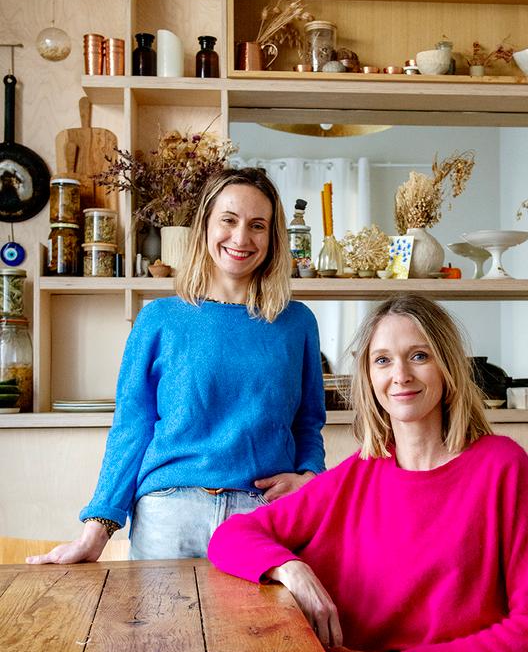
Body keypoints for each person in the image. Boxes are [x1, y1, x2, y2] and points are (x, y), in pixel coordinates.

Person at [208, 294, 528, 652]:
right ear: (368, 377)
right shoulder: (360, 473)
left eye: (419, 355)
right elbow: (232, 535)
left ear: (447, 366)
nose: (400, 374)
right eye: (383, 360)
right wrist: (290, 567)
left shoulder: (500, 467)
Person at [28, 167, 326, 564]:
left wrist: (310, 479)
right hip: (169, 515)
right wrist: (96, 531)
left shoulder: (296, 323)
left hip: (262, 515)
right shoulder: (160, 319)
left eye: (258, 225)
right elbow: (132, 427)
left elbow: (308, 422)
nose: (241, 238)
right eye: (228, 220)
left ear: (273, 238)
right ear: (205, 226)